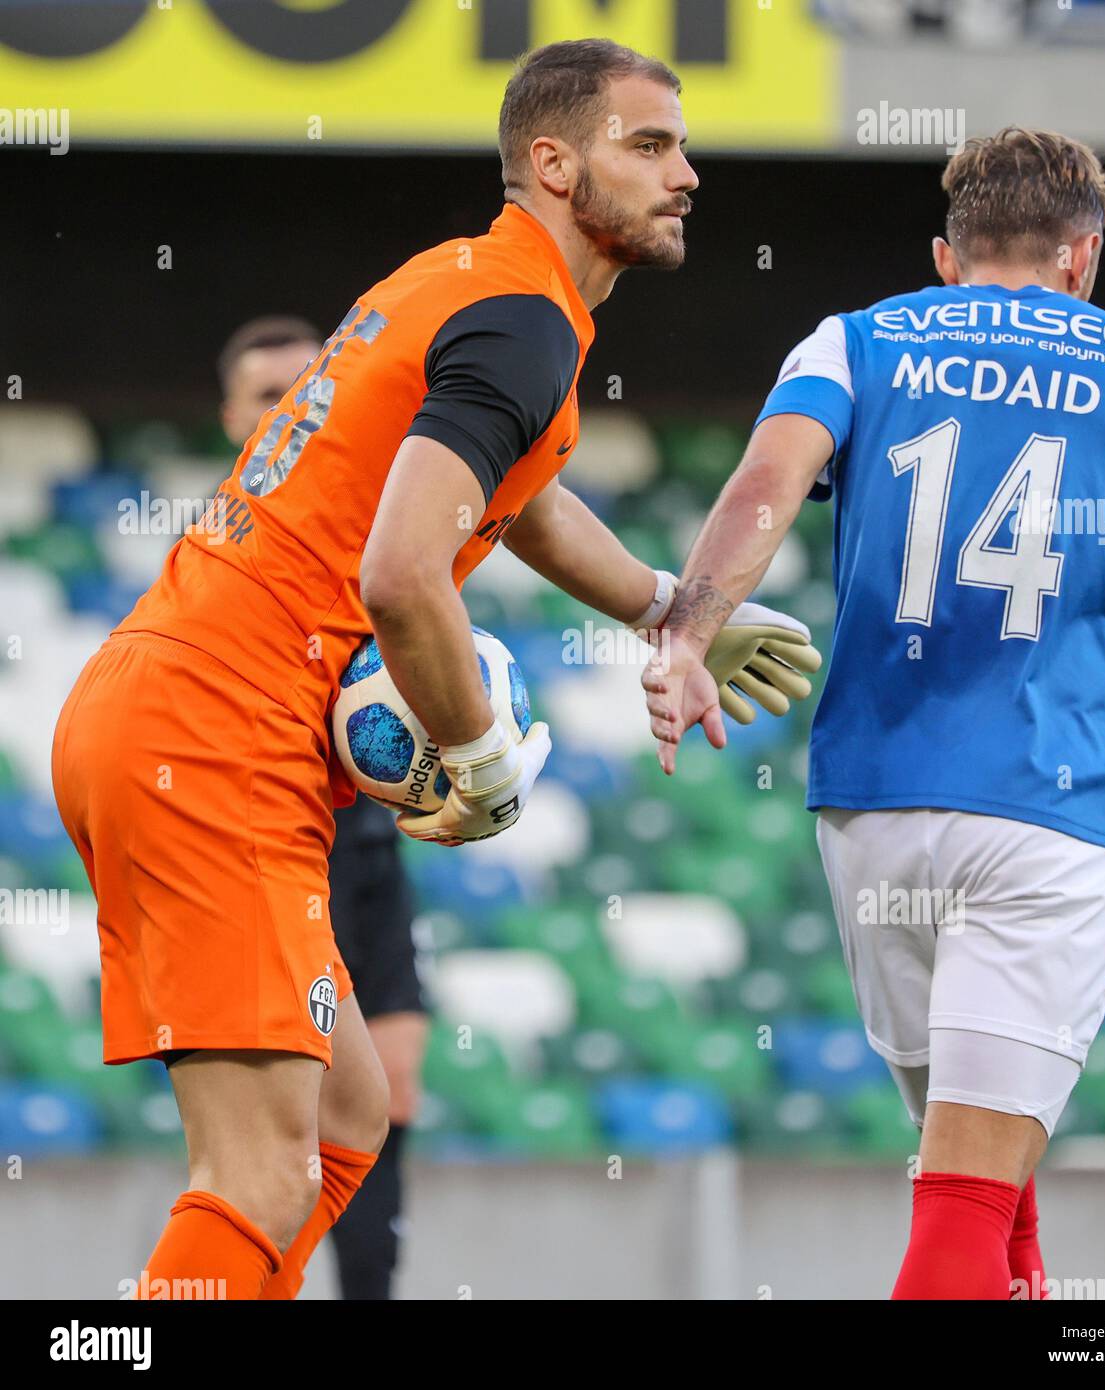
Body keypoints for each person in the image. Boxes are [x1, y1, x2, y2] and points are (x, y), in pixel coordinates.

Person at [52, 37, 818, 1300]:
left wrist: (668, 607)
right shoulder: (524, 320)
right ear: (554, 162)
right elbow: (405, 575)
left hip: (177, 707)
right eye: (651, 145)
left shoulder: (470, 287)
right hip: (217, 730)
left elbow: (519, 498)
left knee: (350, 1117)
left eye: (683, 145)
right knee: (261, 1176)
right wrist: (481, 766)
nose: (687, 174)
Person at [642, 126, 1105, 1299]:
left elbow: (764, 486)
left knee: (980, 1171)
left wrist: (686, 636)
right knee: (966, 1193)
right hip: (1043, 810)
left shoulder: (858, 340)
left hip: (871, 812)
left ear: (945, 256)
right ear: (1085, 256)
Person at [219, 316, 430, 1300]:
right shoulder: (221, 556)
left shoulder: (371, 529)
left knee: (386, 1103)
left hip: (367, 860)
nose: (286, 408)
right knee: (283, 1129)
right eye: (266, 394)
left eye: (302, 388)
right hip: (268, 857)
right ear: (230, 416)